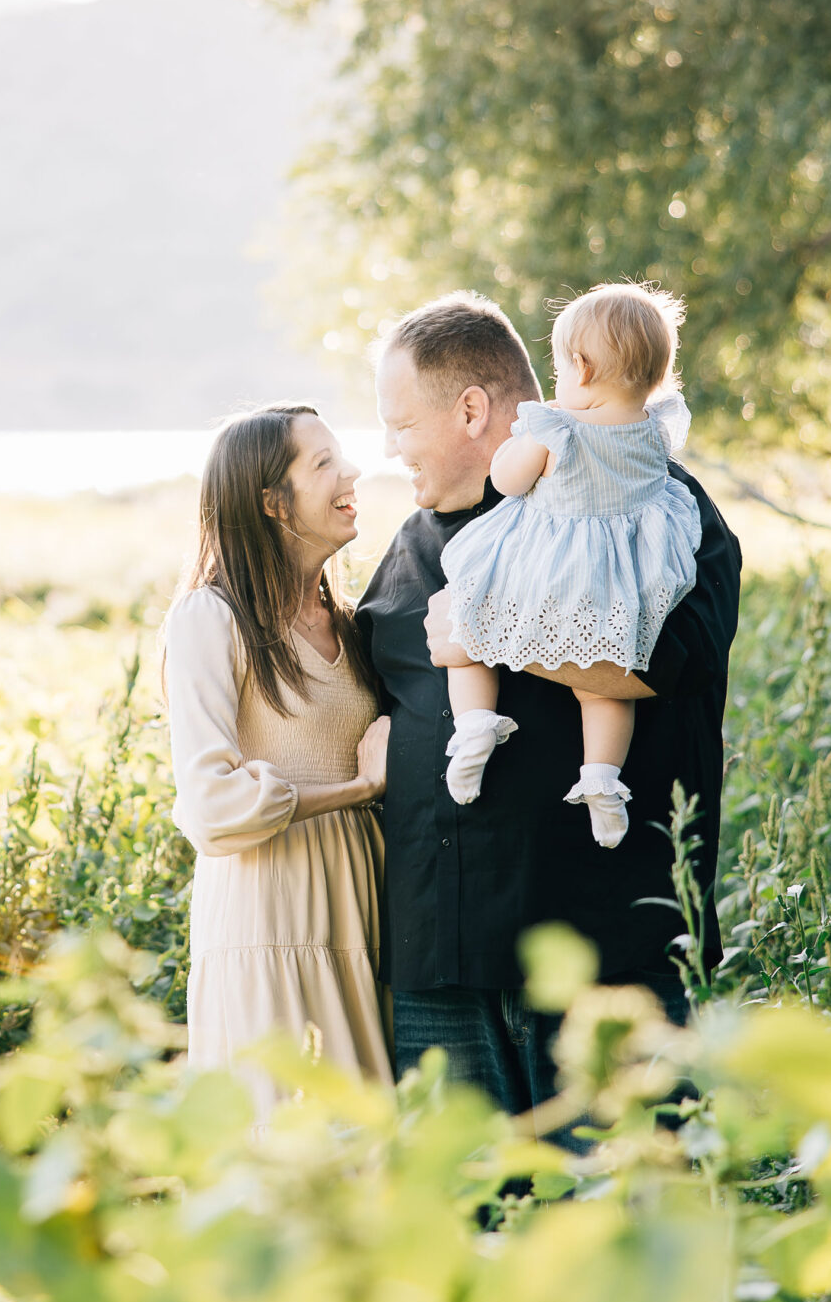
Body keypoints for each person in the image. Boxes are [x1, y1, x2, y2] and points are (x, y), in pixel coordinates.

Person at [356, 293, 741, 1127]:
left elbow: (669, 665)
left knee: (621, 1232)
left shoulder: (650, 508)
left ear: (469, 410)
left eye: (400, 424)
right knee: (463, 1235)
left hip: (604, 969)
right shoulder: (413, 541)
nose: (389, 450)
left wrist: (491, 634)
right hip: (440, 966)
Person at [164, 403, 392, 1120]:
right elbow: (210, 808)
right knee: (290, 1144)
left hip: (359, 911)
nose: (351, 471)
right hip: (267, 921)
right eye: (323, 462)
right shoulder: (210, 619)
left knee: (373, 1147)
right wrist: (356, 788)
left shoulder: (355, 624)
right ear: (271, 502)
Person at [439, 283, 702, 857]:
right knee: (604, 688)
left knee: (469, 623)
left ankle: (475, 723)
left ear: (580, 368)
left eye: (558, 368)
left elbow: (507, 480)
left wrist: (530, 432)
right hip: (615, 581)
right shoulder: (654, 428)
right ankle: (603, 777)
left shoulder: (556, 428)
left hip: (545, 567)